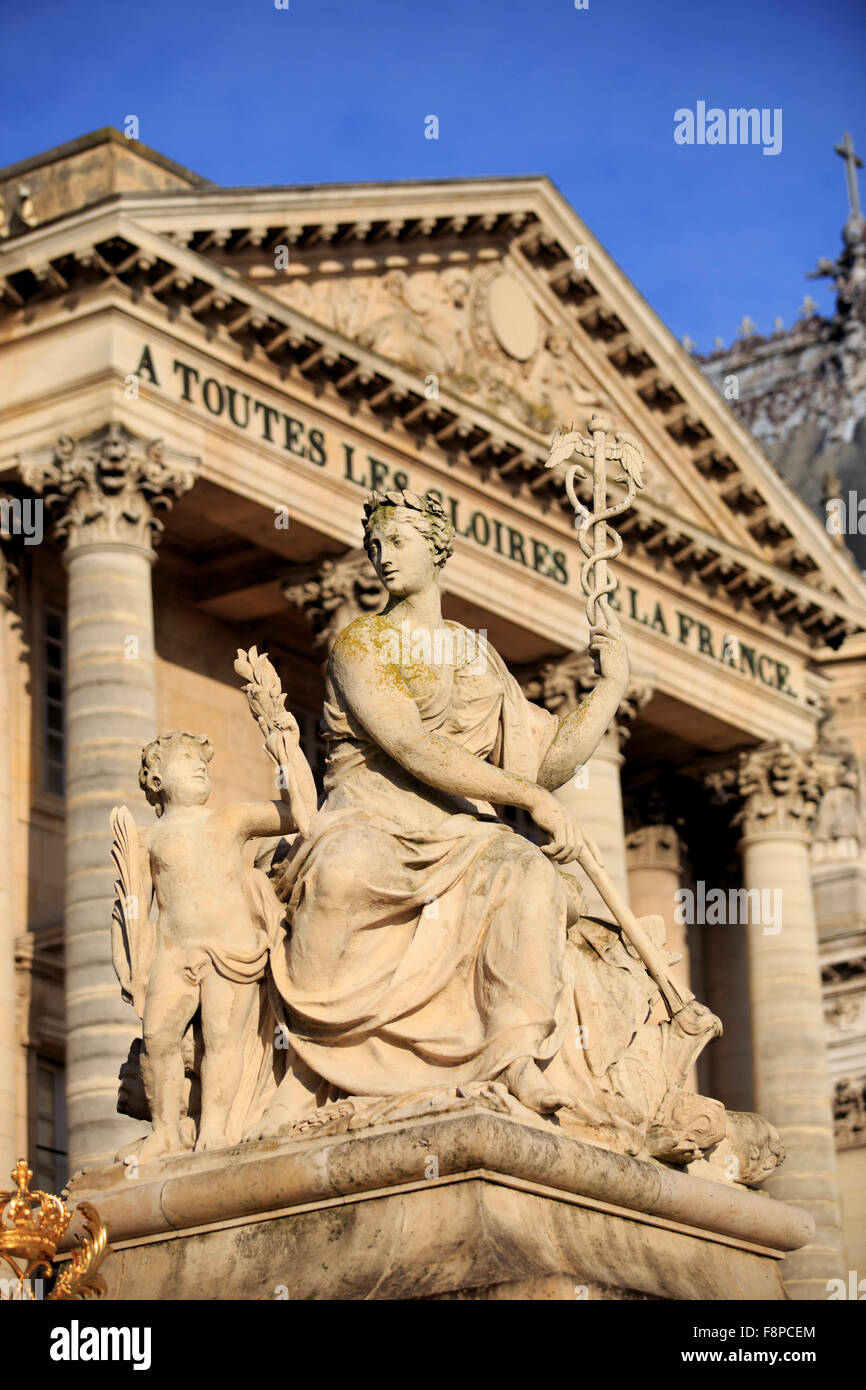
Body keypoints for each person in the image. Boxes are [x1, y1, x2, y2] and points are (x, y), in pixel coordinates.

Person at [257, 489, 685, 1143]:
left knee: (525, 868)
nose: (382, 557)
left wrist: (609, 690)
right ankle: (306, 1070)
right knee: (342, 872)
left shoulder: (477, 656)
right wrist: (528, 798)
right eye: (375, 546)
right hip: (374, 815)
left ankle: (512, 1058)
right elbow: (409, 745)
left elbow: (543, 765)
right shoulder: (363, 643)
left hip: (462, 828)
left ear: (438, 549)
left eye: (397, 542)